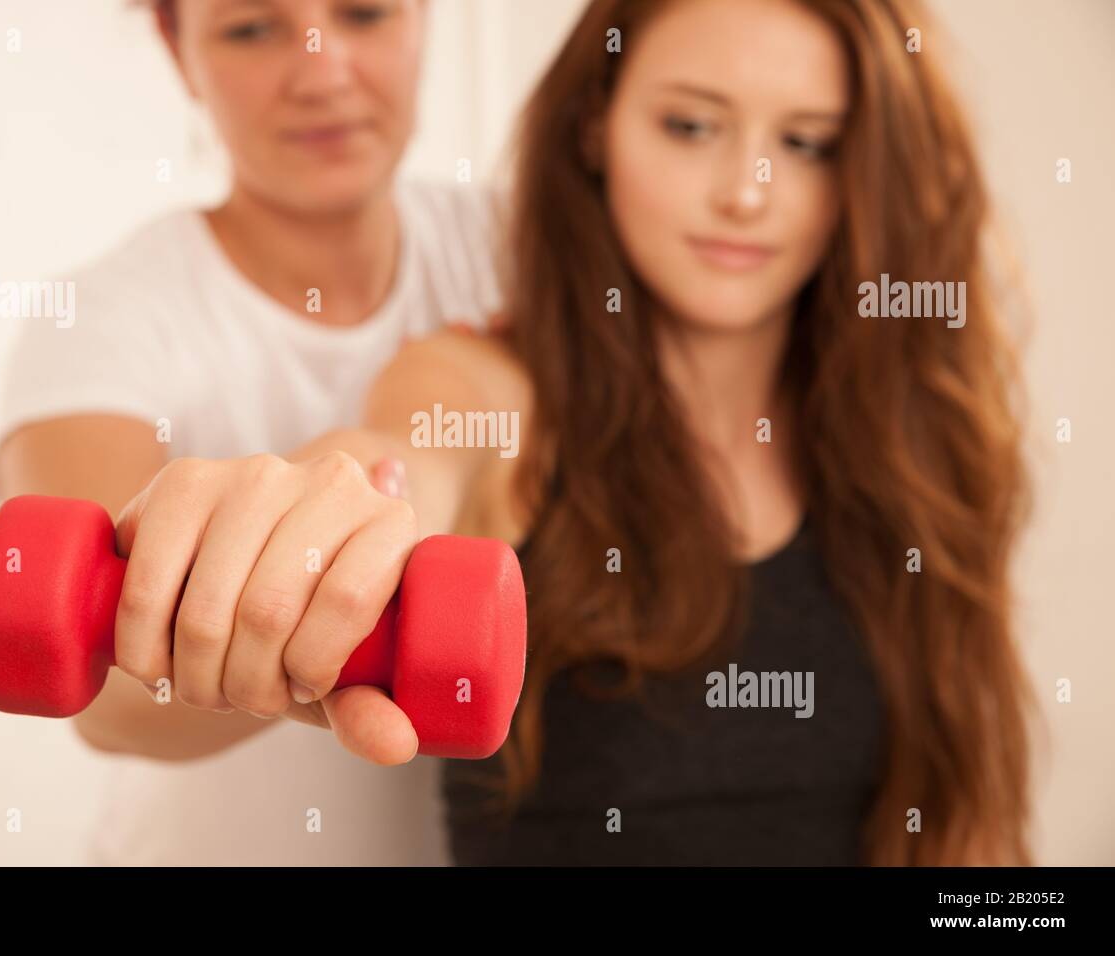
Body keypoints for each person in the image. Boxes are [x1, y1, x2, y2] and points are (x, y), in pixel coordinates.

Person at [88, 0, 1035, 865]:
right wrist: (322, 520)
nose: (747, 193)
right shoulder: (487, 388)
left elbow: (968, 831)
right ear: (596, 127)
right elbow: (406, 460)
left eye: (807, 143)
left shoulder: (915, 447)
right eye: (691, 126)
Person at [0, 0, 499, 864]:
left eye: (365, 15)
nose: (322, 71)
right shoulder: (98, 322)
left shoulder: (512, 248)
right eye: (252, 29)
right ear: (178, 50)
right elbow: (108, 690)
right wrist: (296, 631)